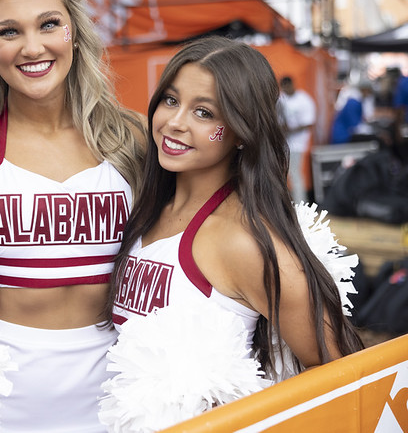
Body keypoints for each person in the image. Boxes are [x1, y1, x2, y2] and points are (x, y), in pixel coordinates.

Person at [0, 0, 146, 432]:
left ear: (73, 31)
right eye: (9, 31)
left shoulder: (131, 136)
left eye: (48, 24)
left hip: (119, 393)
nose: (32, 47)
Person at [111, 36, 363, 385]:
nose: (175, 122)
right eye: (171, 100)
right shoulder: (144, 206)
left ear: (243, 132)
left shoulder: (242, 240)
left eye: (204, 112)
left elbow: (342, 374)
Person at [278, 75, 316, 202]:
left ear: (292, 84)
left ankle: (301, 203)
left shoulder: (303, 99)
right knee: (284, 174)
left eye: (287, 86)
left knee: (295, 174)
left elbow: (309, 123)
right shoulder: (281, 100)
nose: (286, 89)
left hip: (297, 144)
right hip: (283, 143)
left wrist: (290, 130)